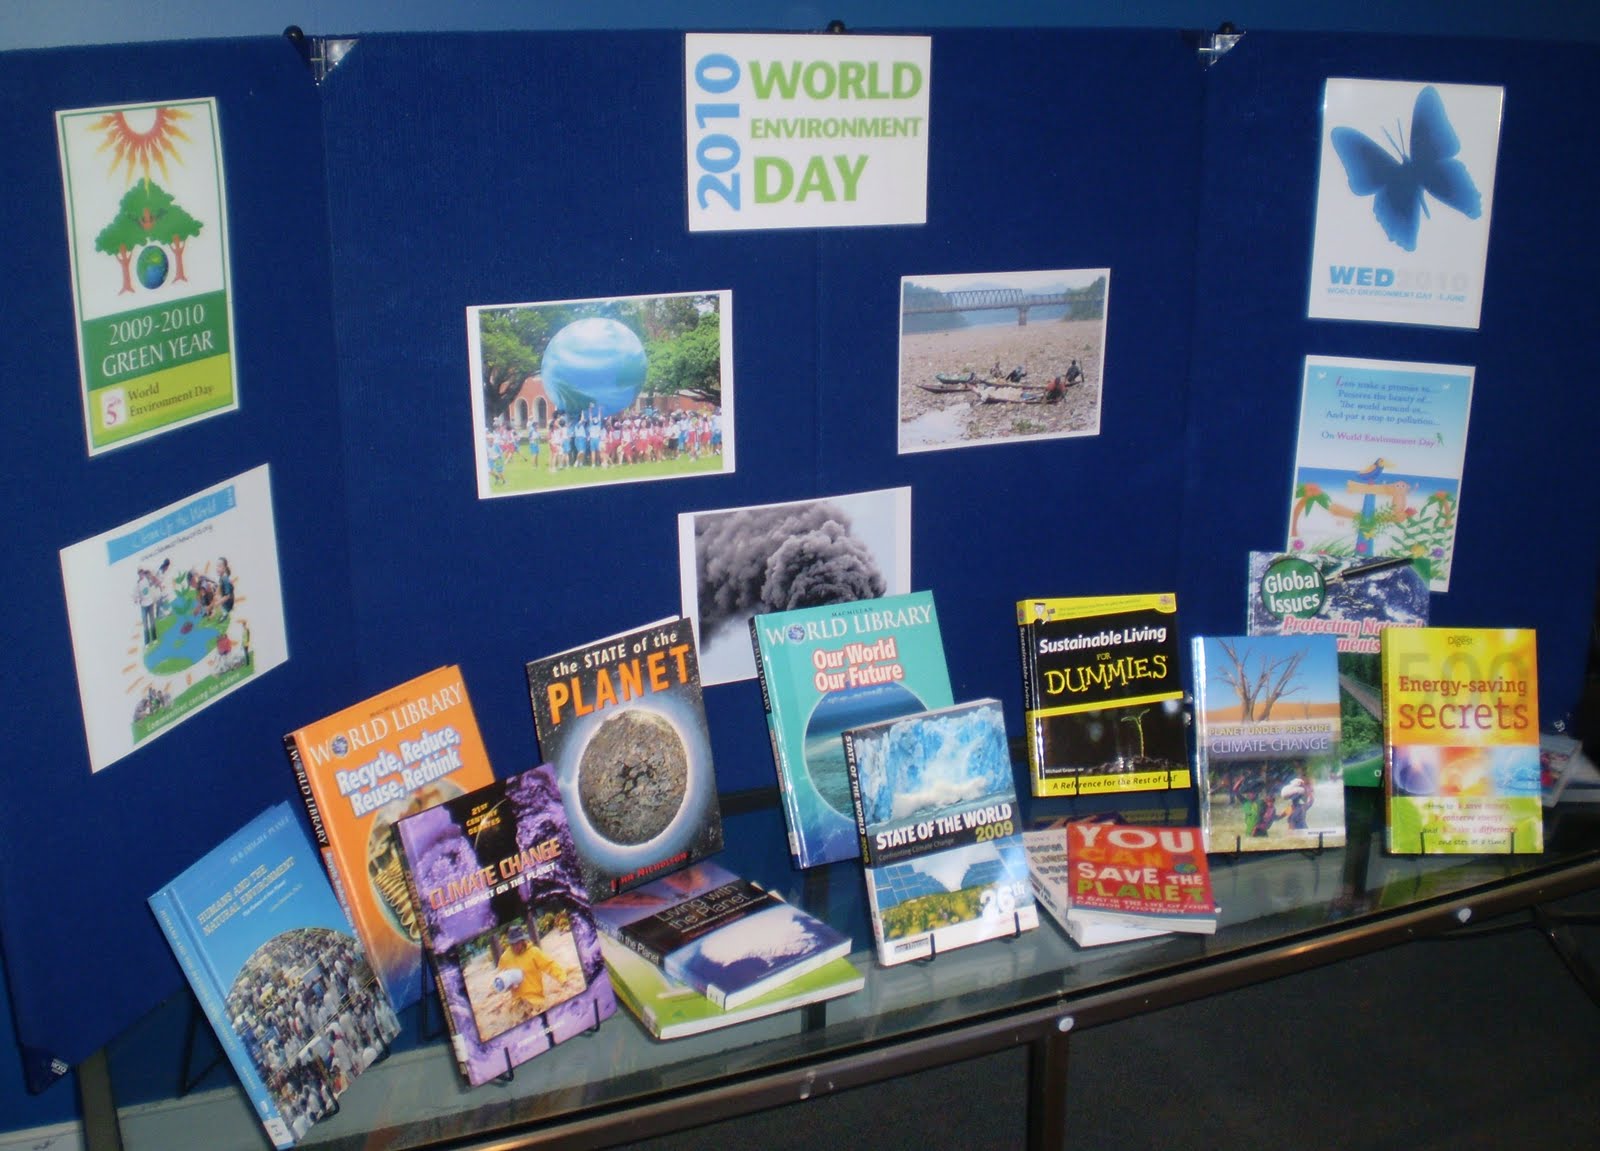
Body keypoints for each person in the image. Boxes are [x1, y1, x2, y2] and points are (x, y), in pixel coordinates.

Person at [495, 926, 567, 1006]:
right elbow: (501, 977)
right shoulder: (505, 957)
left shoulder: (534, 952)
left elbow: (550, 965)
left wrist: (563, 979)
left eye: (517, 943)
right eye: (513, 944)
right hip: (517, 1003)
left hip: (536, 1000)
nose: (515, 947)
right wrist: (507, 986)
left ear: (523, 941)